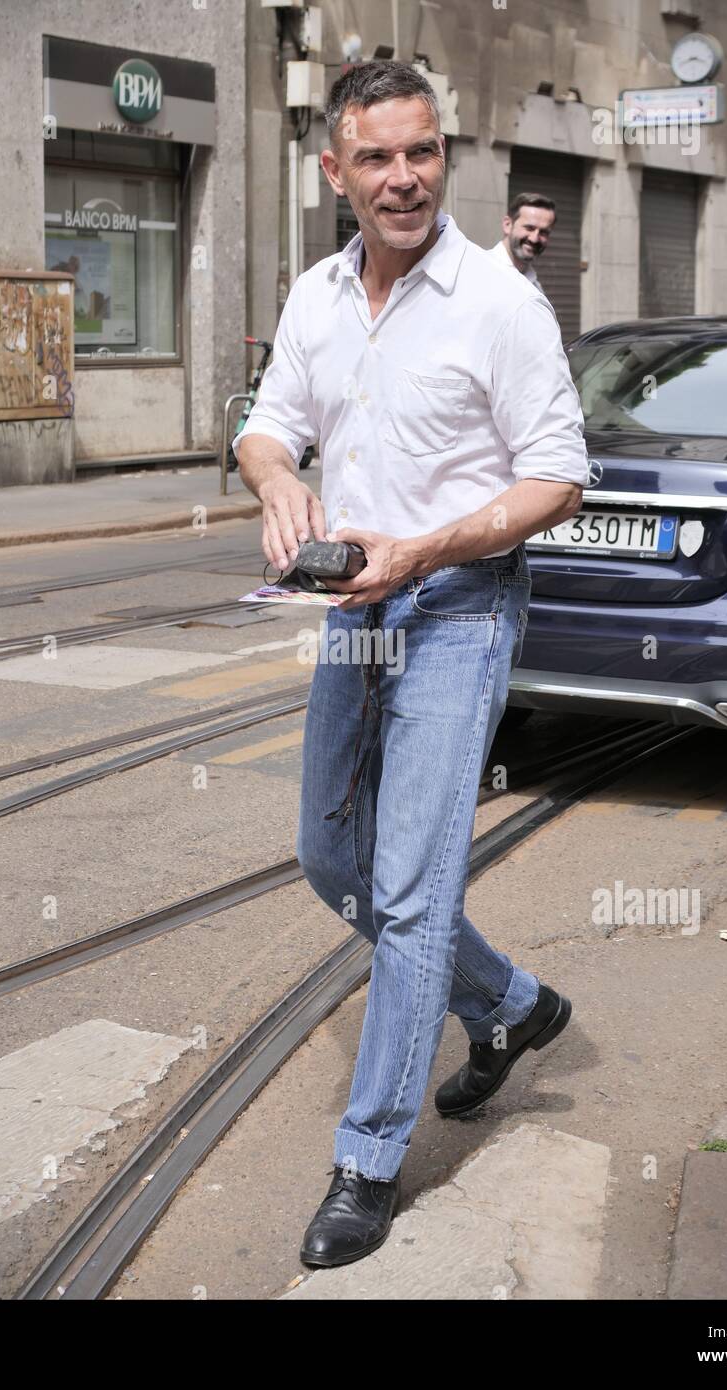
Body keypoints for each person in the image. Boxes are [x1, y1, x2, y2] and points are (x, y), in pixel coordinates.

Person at [233, 59, 588, 1269]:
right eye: (376, 157)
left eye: (422, 152)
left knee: (412, 886)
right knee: (331, 855)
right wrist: (282, 481)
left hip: (460, 603)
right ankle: (513, 1007)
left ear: (446, 157)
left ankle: (367, 1158)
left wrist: (425, 547)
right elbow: (267, 422)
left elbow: (557, 475)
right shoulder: (319, 296)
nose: (403, 178)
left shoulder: (498, 301)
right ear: (334, 172)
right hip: (353, 605)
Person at [489, 192, 556, 290]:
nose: (534, 239)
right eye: (529, 228)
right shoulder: (482, 271)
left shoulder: (535, 286)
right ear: (507, 225)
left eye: (543, 232)